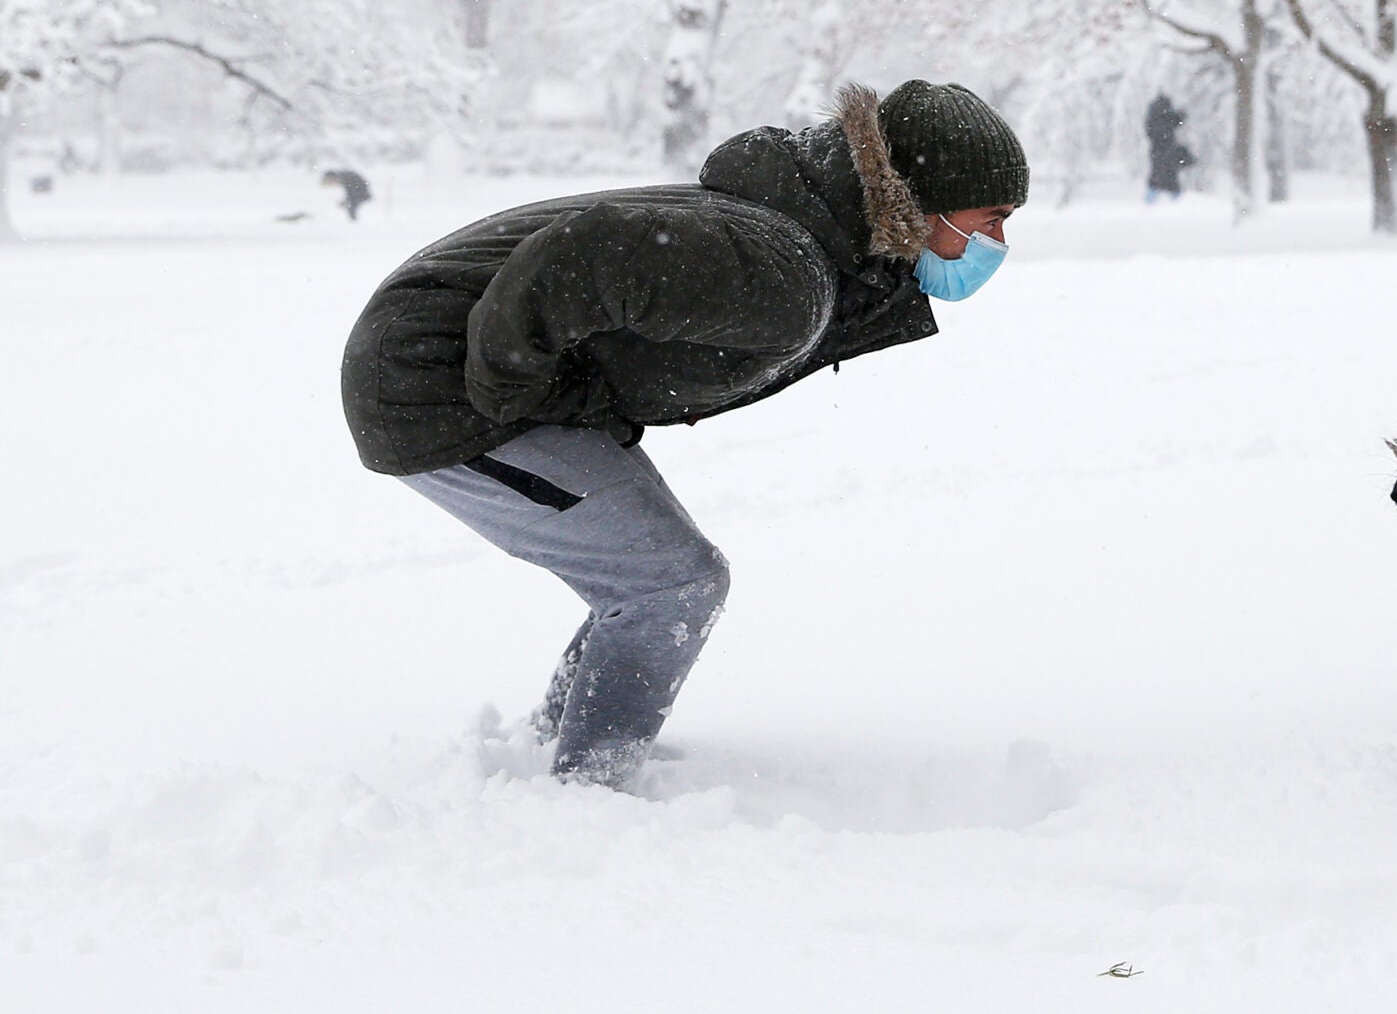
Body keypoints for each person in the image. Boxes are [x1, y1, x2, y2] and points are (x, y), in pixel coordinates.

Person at [339, 80, 1026, 788]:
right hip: (429, 383)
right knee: (669, 584)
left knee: (658, 579)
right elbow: (584, 255)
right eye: (992, 217)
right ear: (921, 200)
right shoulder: (786, 269)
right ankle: (585, 790)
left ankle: (550, 746)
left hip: (464, 363)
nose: (999, 243)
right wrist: (512, 392)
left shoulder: (810, 242)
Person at [1143, 92, 1194, 203]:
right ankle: (1178, 205)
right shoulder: (1165, 120)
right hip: (1166, 156)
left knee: (1156, 182)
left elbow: (1175, 121)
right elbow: (1176, 121)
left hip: (1159, 156)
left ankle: (1148, 206)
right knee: (1168, 182)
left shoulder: (1154, 119)